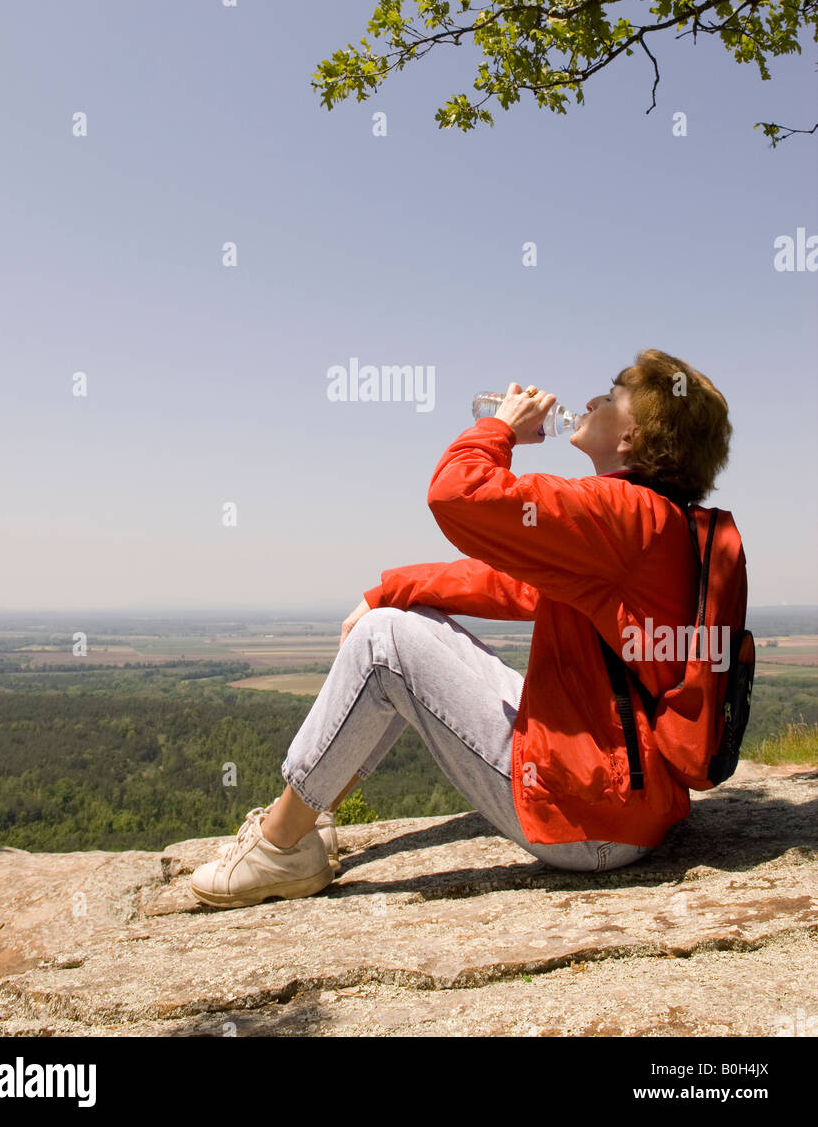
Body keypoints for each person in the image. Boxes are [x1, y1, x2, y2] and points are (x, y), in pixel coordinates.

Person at [191, 349, 733, 907]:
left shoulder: (621, 512)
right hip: (627, 796)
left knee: (384, 642)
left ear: (631, 437)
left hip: (590, 821)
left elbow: (457, 493)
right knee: (402, 621)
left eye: (612, 394)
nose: (591, 400)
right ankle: (312, 816)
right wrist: (392, 589)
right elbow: (516, 584)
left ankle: (281, 848)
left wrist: (499, 430)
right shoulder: (659, 523)